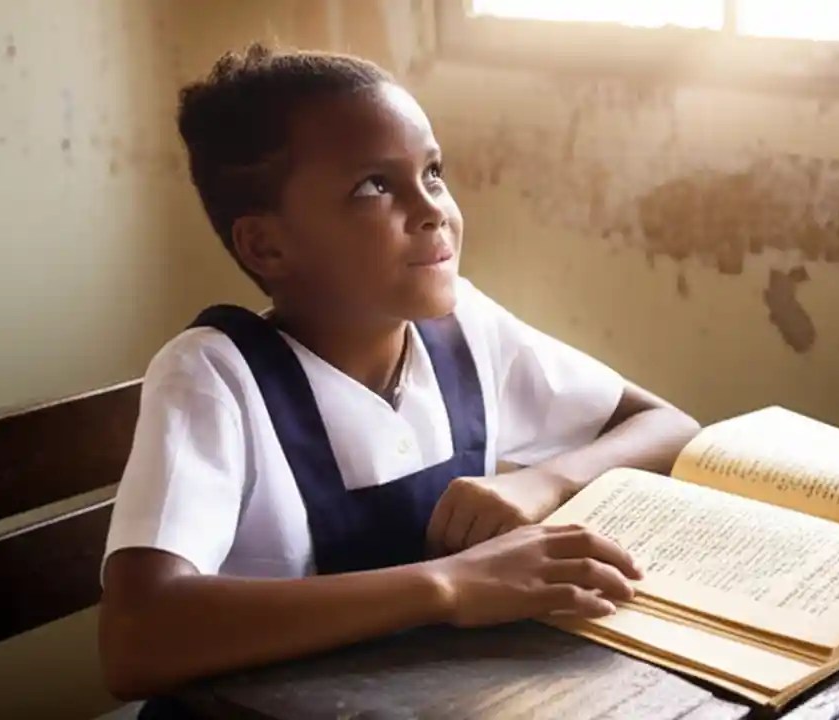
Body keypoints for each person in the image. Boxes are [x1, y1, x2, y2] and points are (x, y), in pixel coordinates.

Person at [97, 43, 700, 703]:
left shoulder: (468, 331)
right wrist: (450, 585)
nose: (431, 208)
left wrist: (545, 481)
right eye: (374, 187)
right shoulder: (214, 377)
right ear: (267, 244)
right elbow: (138, 637)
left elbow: (669, 426)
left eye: (433, 172)